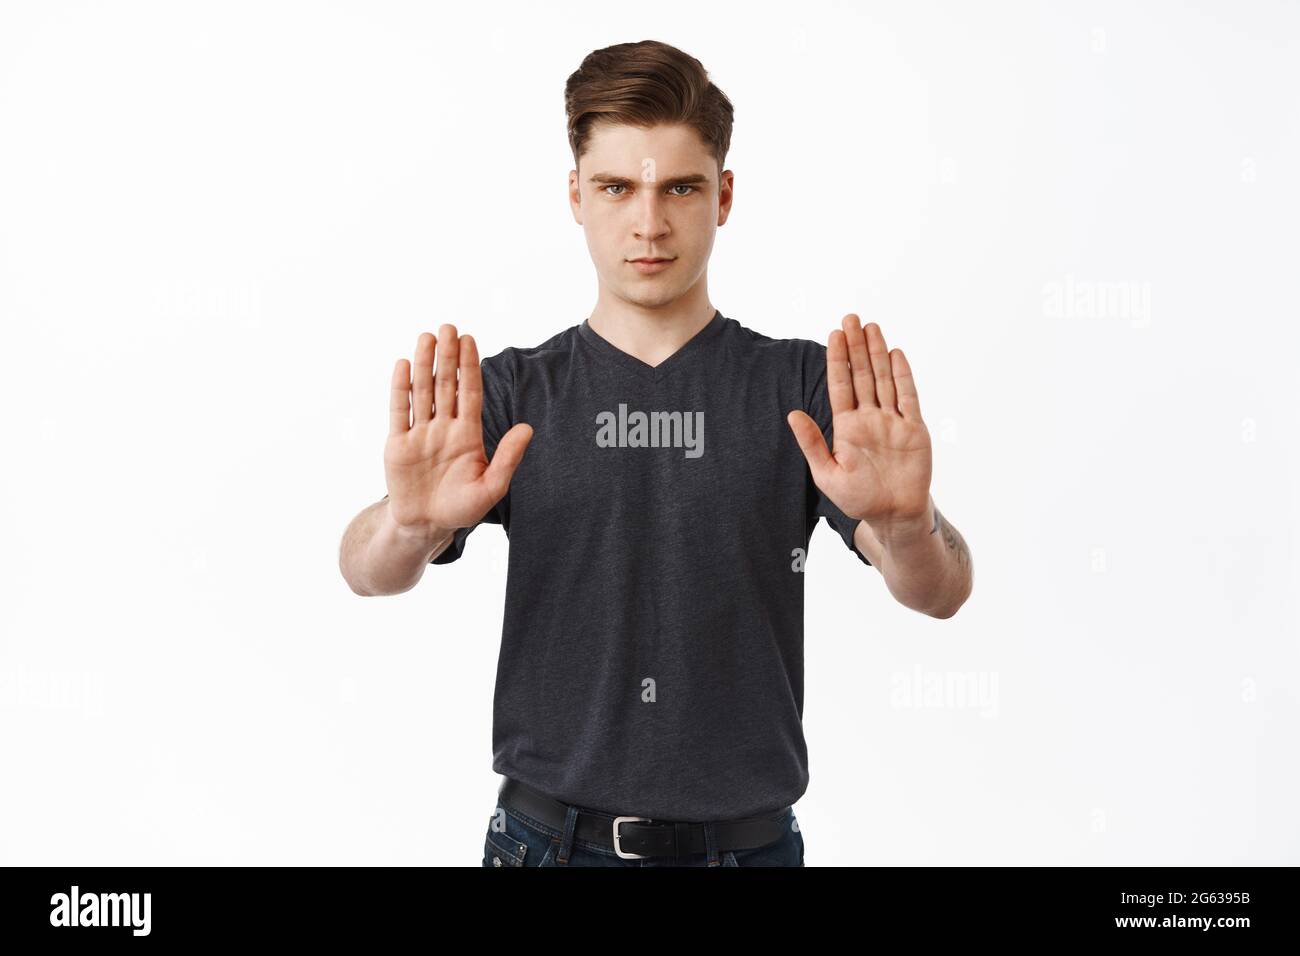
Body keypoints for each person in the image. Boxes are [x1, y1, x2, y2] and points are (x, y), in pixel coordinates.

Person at [338, 39, 973, 867]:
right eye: (616, 188)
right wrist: (408, 527)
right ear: (575, 195)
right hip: (546, 843)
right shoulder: (508, 395)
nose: (649, 222)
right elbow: (362, 571)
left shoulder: (807, 391)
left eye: (680, 187)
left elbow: (942, 592)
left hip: (748, 849)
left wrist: (909, 525)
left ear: (725, 195)